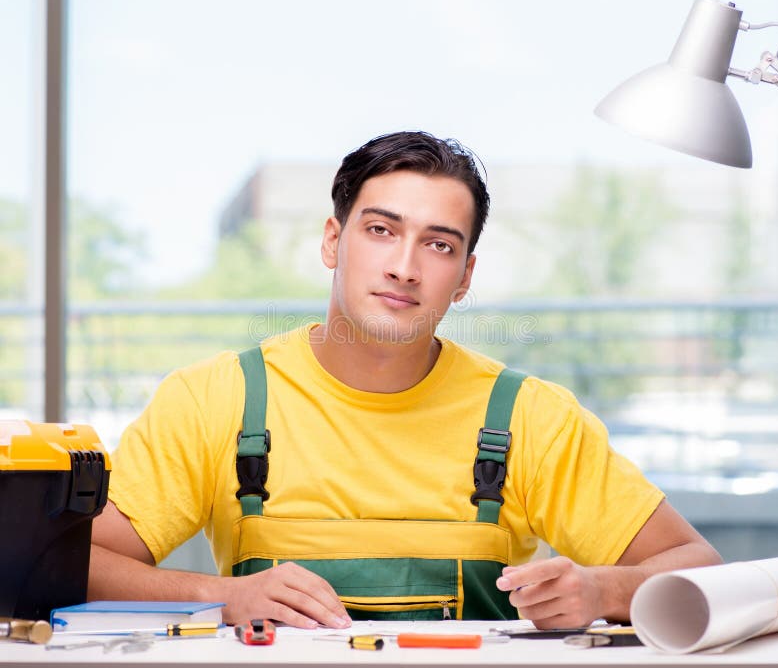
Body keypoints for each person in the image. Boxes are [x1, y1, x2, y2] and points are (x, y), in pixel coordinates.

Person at [89, 130, 721, 630]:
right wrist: (220, 596)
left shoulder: (530, 417)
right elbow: (76, 564)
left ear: (466, 277)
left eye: (439, 246)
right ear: (333, 240)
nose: (404, 267)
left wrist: (602, 588)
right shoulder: (216, 399)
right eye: (381, 230)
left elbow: (699, 569)